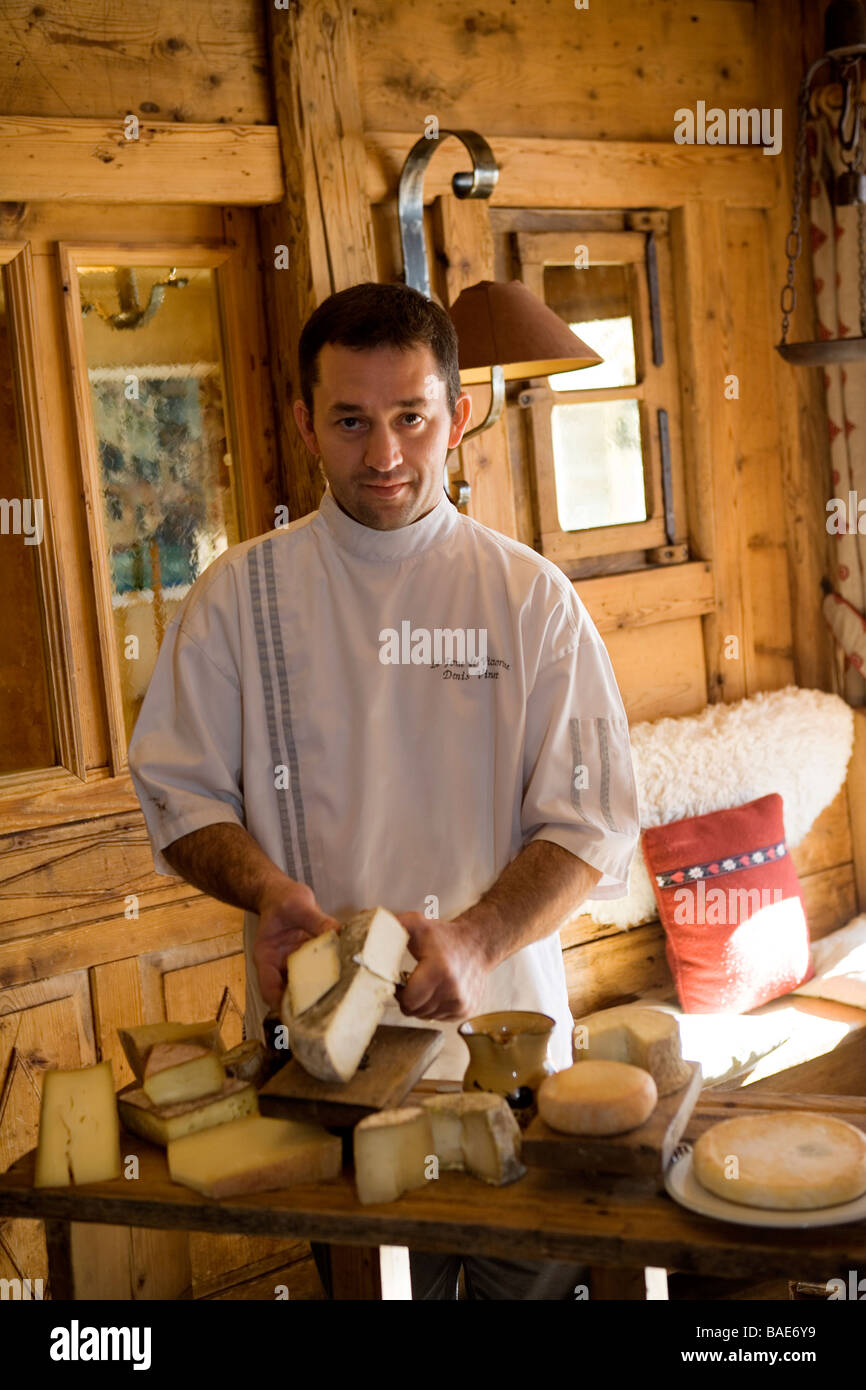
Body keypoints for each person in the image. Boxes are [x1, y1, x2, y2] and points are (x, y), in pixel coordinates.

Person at [128, 281, 640, 1300]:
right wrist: (270, 894)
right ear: (304, 422)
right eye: (350, 420)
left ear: (456, 413)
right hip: (321, 1072)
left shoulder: (528, 598)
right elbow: (182, 795)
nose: (384, 455)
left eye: (410, 416)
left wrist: (478, 939)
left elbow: (586, 822)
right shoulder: (237, 597)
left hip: (506, 1055)